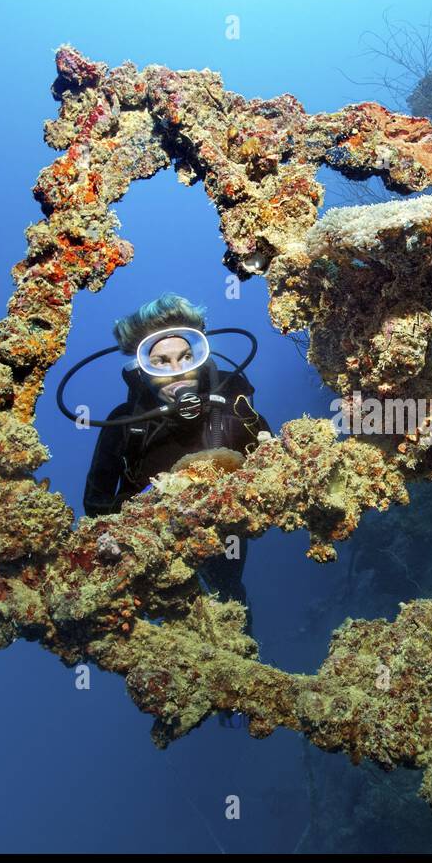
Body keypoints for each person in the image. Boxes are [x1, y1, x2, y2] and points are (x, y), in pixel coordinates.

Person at [79, 295, 270, 728]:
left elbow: (274, 462)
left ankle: (239, 683)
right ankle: (189, 692)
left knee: (228, 593)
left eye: (187, 356)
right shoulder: (123, 425)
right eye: (160, 361)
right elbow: (96, 503)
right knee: (177, 614)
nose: (178, 371)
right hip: (155, 554)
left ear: (202, 355)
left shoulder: (235, 404)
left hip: (226, 541)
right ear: (142, 368)